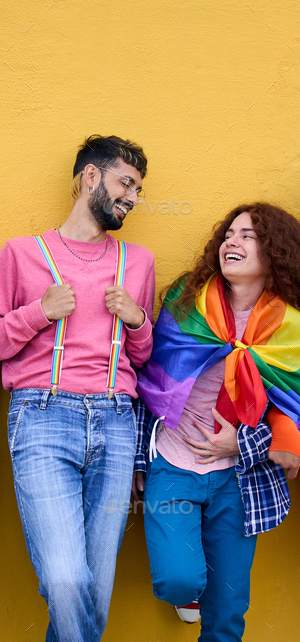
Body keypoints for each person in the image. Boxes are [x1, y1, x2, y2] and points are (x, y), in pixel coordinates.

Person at [135, 202, 300, 642]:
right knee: (178, 580)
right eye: (229, 234)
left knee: (227, 617)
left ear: (275, 252)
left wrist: (240, 444)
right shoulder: (188, 300)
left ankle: (212, 603)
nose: (232, 242)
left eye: (248, 236)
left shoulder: (293, 329)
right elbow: (151, 380)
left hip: (238, 477)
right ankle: (191, 591)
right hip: (173, 462)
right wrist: (136, 460)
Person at [0, 135, 156, 642]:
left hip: (116, 421)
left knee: (99, 586)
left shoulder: (140, 262)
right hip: (41, 417)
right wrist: (38, 313)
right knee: (67, 580)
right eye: (124, 183)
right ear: (90, 177)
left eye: (138, 189)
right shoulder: (21, 254)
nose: (132, 197)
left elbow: (143, 359)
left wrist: (136, 322)